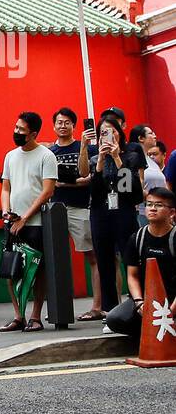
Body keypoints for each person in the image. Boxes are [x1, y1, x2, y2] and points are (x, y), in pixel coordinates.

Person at [0, 111, 58, 332]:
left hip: (36, 223)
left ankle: (35, 316)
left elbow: (48, 191)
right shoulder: (10, 156)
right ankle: (18, 315)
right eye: (16, 128)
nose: (16, 132)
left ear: (33, 133)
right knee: (10, 268)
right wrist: (6, 212)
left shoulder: (46, 156)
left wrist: (25, 217)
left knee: (37, 270)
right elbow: (6, 187)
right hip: (12, 221)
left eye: (21, 130)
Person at [81, 116, 146, 314]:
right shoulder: (95, 159)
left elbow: (129, 190)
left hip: (123, 211)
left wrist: (117, 158)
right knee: (104, 261)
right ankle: (109, 310)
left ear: (120, 133)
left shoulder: (131, 156)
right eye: (103, 132)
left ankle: (140, 305)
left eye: (112, 131)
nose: (108, 136)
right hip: (101, 213)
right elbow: (96, 191)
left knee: (131, 258)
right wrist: (100, 161)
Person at [47, 109, 105, 322]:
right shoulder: (49, 152)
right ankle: (58, 308)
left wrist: (65, 182)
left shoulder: (88, 149)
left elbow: (89, 177)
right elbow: (47, 181)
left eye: (67, 122)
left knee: (92, 256)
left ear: (74, 126)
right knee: (55, 259)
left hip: (82, 207)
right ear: (53, 126)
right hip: (56, 208)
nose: (63, 126)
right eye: (59, 122)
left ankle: (97, 306)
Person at [107, 187, 176, 337]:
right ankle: (148, 338)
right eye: (149, 204)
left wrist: (171, 312)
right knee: (114, 319)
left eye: (158, 205)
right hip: (147, 300)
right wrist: (139, 303)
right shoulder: (137, 238)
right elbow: (132, 275)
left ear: (172, 212)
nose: (152, 209)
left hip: (172, 300)